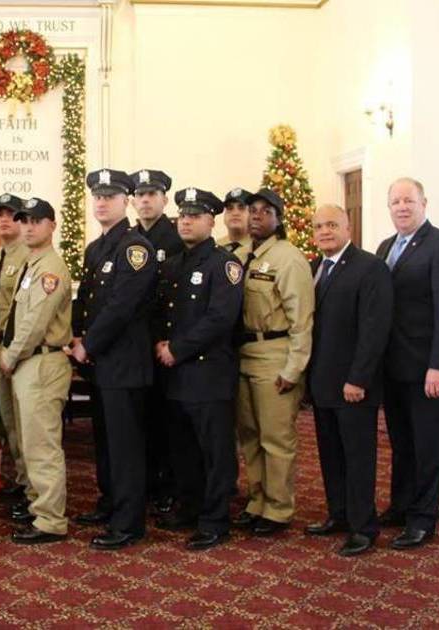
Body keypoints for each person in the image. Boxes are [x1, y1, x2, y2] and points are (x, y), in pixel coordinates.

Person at [374, 177, 439, 550]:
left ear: (424, 203)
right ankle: (401, 504)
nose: (401, 207)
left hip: (427, 368)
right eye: (395, 201)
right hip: (393, 367)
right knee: (401, 442)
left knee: (427, 444)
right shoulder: (384, 247)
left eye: (408, 200)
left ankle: (423, 518)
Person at [71, 168, 157, 550]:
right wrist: (75, 334)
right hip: (102, 364)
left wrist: (88, 344)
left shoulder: (135, 247)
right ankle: (110, 503)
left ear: (127, 201)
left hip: (123, 364)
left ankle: (128, 522)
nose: (102, 202)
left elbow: (122, 306)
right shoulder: (97, 247)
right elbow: (86, 301)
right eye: (98, 196)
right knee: (105, 443)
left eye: (111, 196)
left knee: (125, 448)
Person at [152, 187, 243, 550]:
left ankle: (216, 519)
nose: (186, 221)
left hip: (209, 374)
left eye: (195, 215)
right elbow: (162, 312)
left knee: (215, 451)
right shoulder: (175, 263)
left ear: (211, 220)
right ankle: (190, 506)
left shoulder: (224, 265)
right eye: (183, 216)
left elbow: (220, 319)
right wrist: (161, 342)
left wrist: (177, 348)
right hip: (176, 374)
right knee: (183, 449)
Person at [304, 204, 393, 557]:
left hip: (354, 385)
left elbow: (375, 329)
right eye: (318, 226)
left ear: (348, 228)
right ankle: (338, 514)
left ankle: (364, 527)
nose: (324, 231)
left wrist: (359, 378)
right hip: (323, 383)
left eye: (331, 225)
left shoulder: (370, 268)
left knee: (358, 458)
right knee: (331, 455)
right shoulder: (313, 268)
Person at [233, 188, 314, 536]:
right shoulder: (240, 254)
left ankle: (278, 508)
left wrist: (293, 369)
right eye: (252, 211)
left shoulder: (288, 258)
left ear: (278, 219)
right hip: (244, 356)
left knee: (276, 439)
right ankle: (257, 500)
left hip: (275, 356)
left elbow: (302, 319)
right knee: (250, 437)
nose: (256, 216)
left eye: (265, 212)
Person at [0, 197, 74, 545]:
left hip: (40, 362)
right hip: (30, 362)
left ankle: (50, 520)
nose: (28, 227)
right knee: (29, 442)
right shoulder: (32, 263)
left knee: (41, 445)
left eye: (36, 221)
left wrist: (10, 355)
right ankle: (38, 507)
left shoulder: (50, 268)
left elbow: (34, 322)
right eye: (24, 221)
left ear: (52, 226)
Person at [130, 169, 183, 515]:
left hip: (165, 344)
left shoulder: (176, 237)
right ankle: (146, 483)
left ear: (164, 199)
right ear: (132, 201)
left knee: (169, 419)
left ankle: (169, 485)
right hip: (135, 345)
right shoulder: (128, 238)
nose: (146, 199)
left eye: (153, 193)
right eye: (141, 194)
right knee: (140, 418)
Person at [0, 193, 33, 516]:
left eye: (11, 214)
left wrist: (14, 350)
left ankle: (33, 489)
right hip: (0, 345)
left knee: (27, 422)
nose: (3, 219)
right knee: (9, 420)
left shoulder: (30, 256)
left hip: (20, 350)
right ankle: (22, 479)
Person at [216, 187, 253, 259]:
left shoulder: (258, 247)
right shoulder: (216, 247)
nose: (235, 213)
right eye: (230, 208)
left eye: (241, 208)